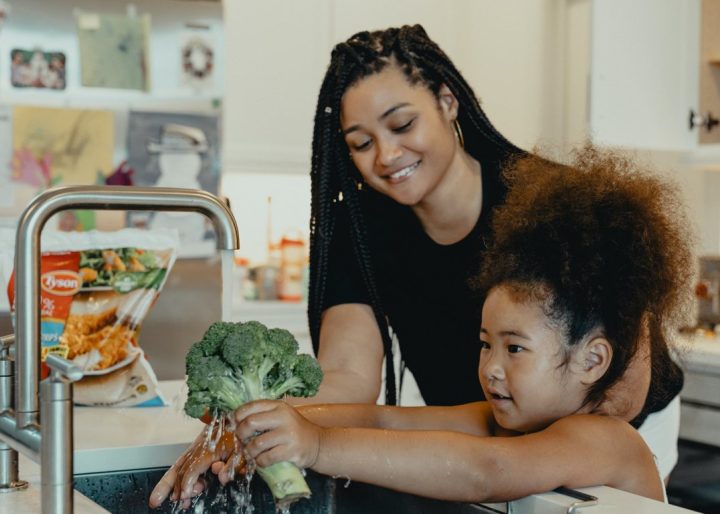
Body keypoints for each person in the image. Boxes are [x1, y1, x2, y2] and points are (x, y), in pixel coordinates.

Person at [149, 24, 684, 508]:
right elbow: (360, 389)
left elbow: (504, 460)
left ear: (448, 102)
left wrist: (315, 441)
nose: (386, 155)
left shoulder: (552, 206)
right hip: (502, 420)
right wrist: (260, 424)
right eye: (361, 143)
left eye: (402, 124)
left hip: (600, 422)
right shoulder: (362, 231)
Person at [230, 147, 691, 503]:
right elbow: (385, 419)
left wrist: (314, 445)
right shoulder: (511, 424)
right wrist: (274, 424)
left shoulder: (605, 439)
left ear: (592, 359)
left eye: (514, 349)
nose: (490, 367)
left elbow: (485, 471)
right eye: (485, 344)